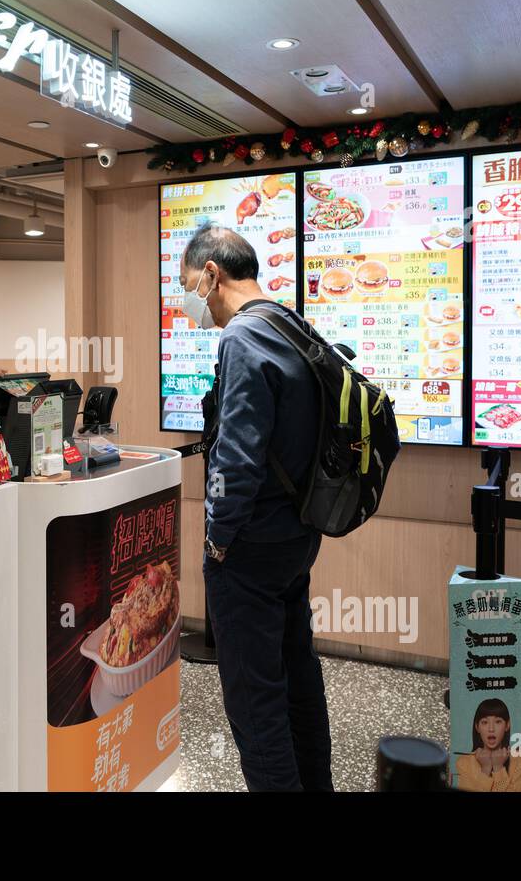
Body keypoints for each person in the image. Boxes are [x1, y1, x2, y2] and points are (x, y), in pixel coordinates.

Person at [181, 224, 329, 792]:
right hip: (296, 535)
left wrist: (218, 540)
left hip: (250, 547)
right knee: (298, 680)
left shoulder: (241, 337)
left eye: (187, 284)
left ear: (212, 274)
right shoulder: (291, 323)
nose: (189, 299)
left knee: (255, 701)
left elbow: (237, 456)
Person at [456, 698, 521, 791]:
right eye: (484, 722)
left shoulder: (520, 759)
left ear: (507, 725)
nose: (491, 729)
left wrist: (498, 768)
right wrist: (485, 769)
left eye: (498, 721)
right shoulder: (464, 762)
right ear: (477, 727)